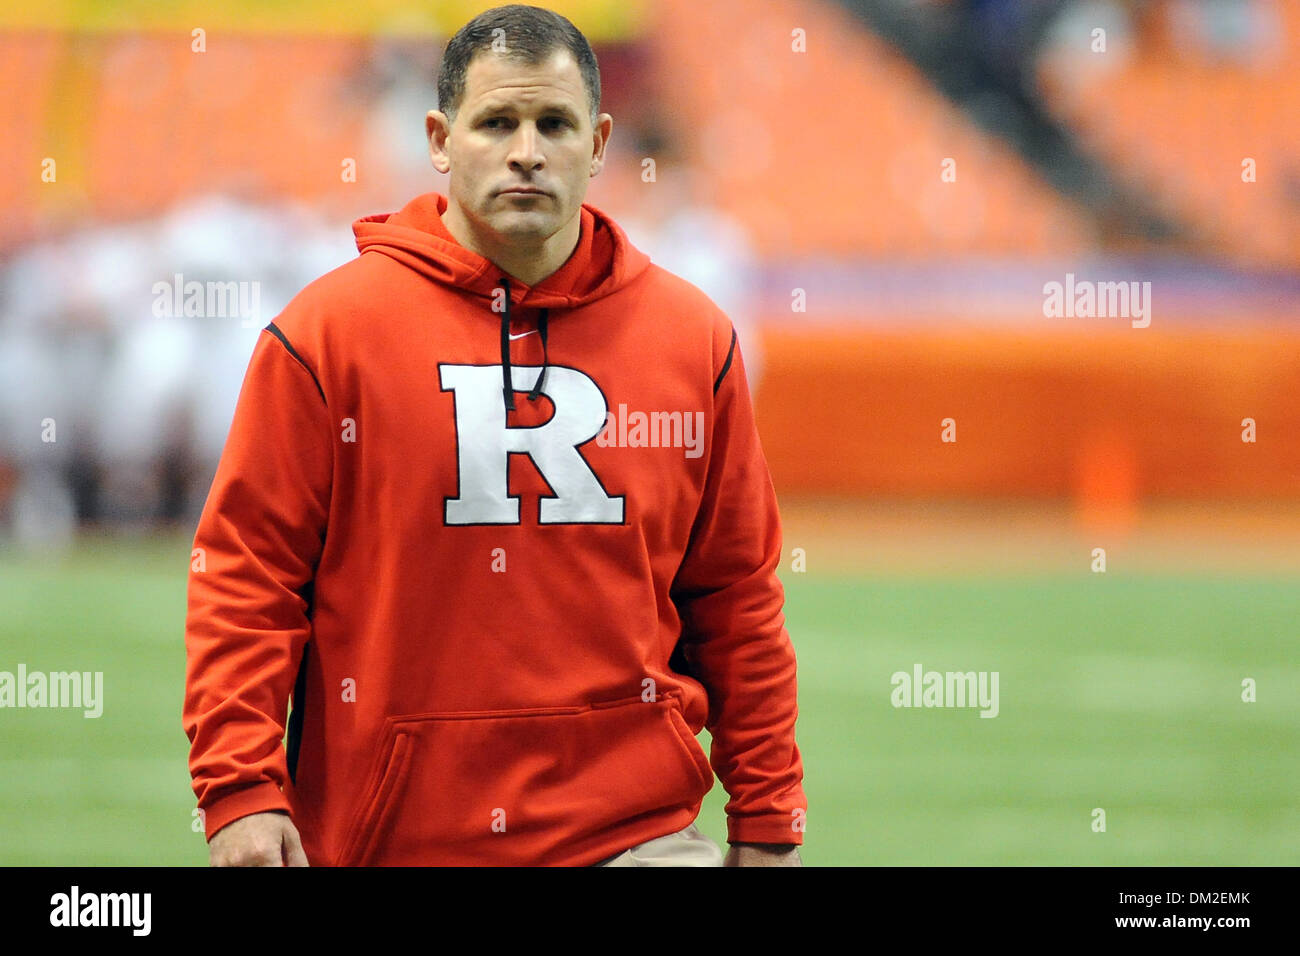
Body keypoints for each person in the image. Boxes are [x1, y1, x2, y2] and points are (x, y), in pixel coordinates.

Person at [183, 3, 805, 867]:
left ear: (599, 142)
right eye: (496, 122)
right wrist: (240, 788)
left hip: (632, 837)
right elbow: (249, 578)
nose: (526, 150)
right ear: (439, 139)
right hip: (391, 843)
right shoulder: (328, 335)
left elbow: (737, 600)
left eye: (554, 123)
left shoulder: (691, 340)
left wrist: (769, 819)